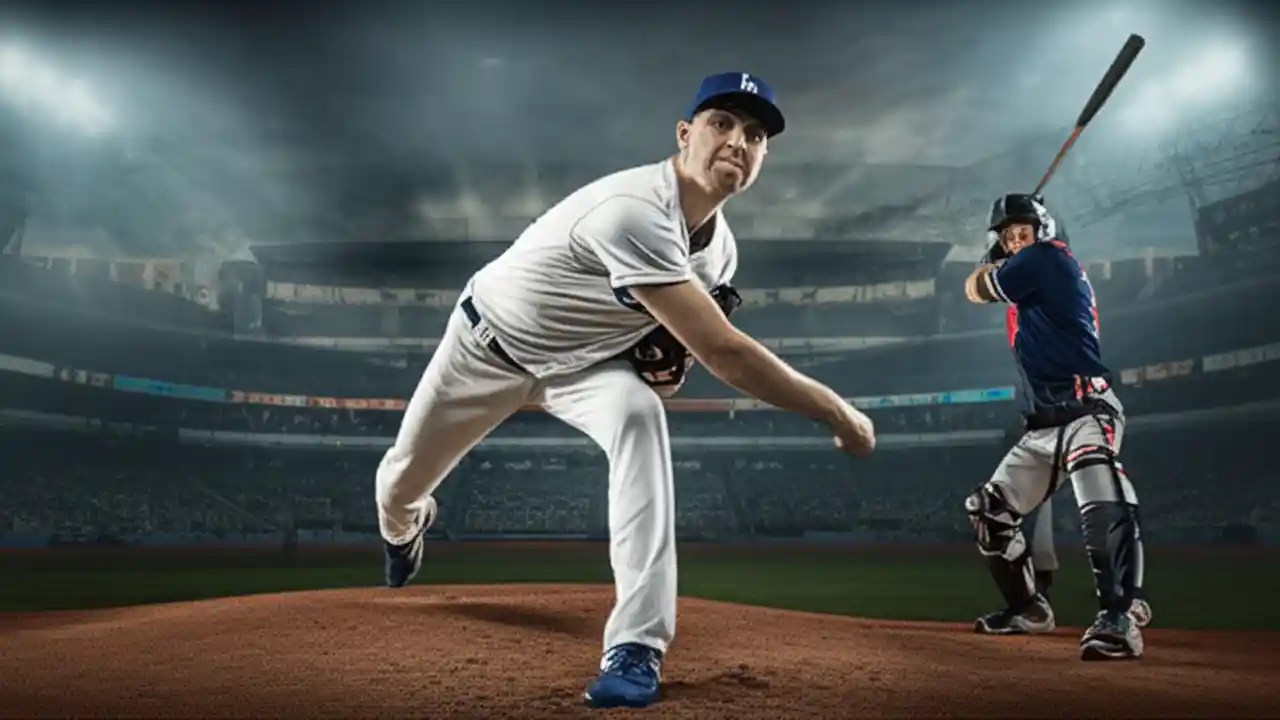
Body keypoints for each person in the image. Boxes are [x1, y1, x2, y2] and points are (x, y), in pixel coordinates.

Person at [375, 71, 876, 708]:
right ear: (684, 133)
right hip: (485, 349)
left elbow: (668, 349)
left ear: (763, 157)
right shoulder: (633, 209)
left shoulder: (720, 253)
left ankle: (637, 644)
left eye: (755, 135)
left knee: (640, 415)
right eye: (722, 123)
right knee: (399, 484)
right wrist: (837, 413)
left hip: (580, 368)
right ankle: (404, 528)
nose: (738, 141)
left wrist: (658, 368)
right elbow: (724, 352)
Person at [962, 193, 1150, 660]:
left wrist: (990, 259)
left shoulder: (1046, 258)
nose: (1015, 241)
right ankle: (1028, 608)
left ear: (1043, 230)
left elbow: (974, 289)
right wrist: (999, 256)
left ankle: (1120, 617)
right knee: (988, 510)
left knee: (1101, 498)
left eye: (1022, 231)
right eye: (1008, 236)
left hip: (1086, 409)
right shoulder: (1034, 273)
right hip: (1044, 424)